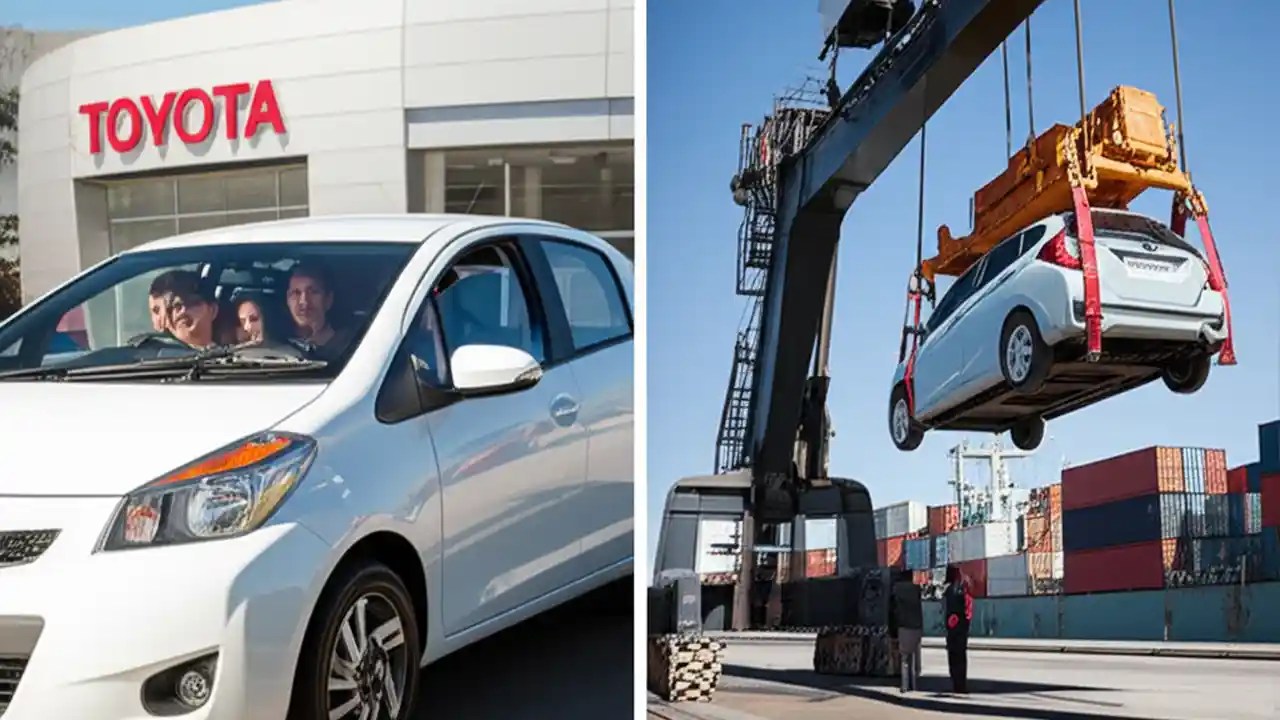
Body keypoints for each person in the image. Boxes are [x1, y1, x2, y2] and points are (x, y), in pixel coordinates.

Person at [284, 261, 353, 360]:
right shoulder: (277, 346)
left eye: (313, 292)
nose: (303, 301)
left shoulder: (350, 348)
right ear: (287, 299)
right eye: (296, 293)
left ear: (328, 299)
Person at [148, 270, 220, 349]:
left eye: (191, 303)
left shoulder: (230, 355)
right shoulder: (150, 354)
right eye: (175, 306)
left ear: (213, 310)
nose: (183, 310)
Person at [889, 568, 924, 693]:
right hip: (916, 625)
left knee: (904, 658)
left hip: (903, 625)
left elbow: (893, 609)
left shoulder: (896, 589)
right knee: (914, 656)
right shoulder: (916, 589)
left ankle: (904, 685)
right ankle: (914, 684)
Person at [943, 564, 974, 693]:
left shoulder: (949, 590)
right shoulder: (963, 589)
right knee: (961, 656)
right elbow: (967, 609)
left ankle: (956, 684)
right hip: (962, 627)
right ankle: (961, 684)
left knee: (953, 657)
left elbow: (947, 611)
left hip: (953, 628)